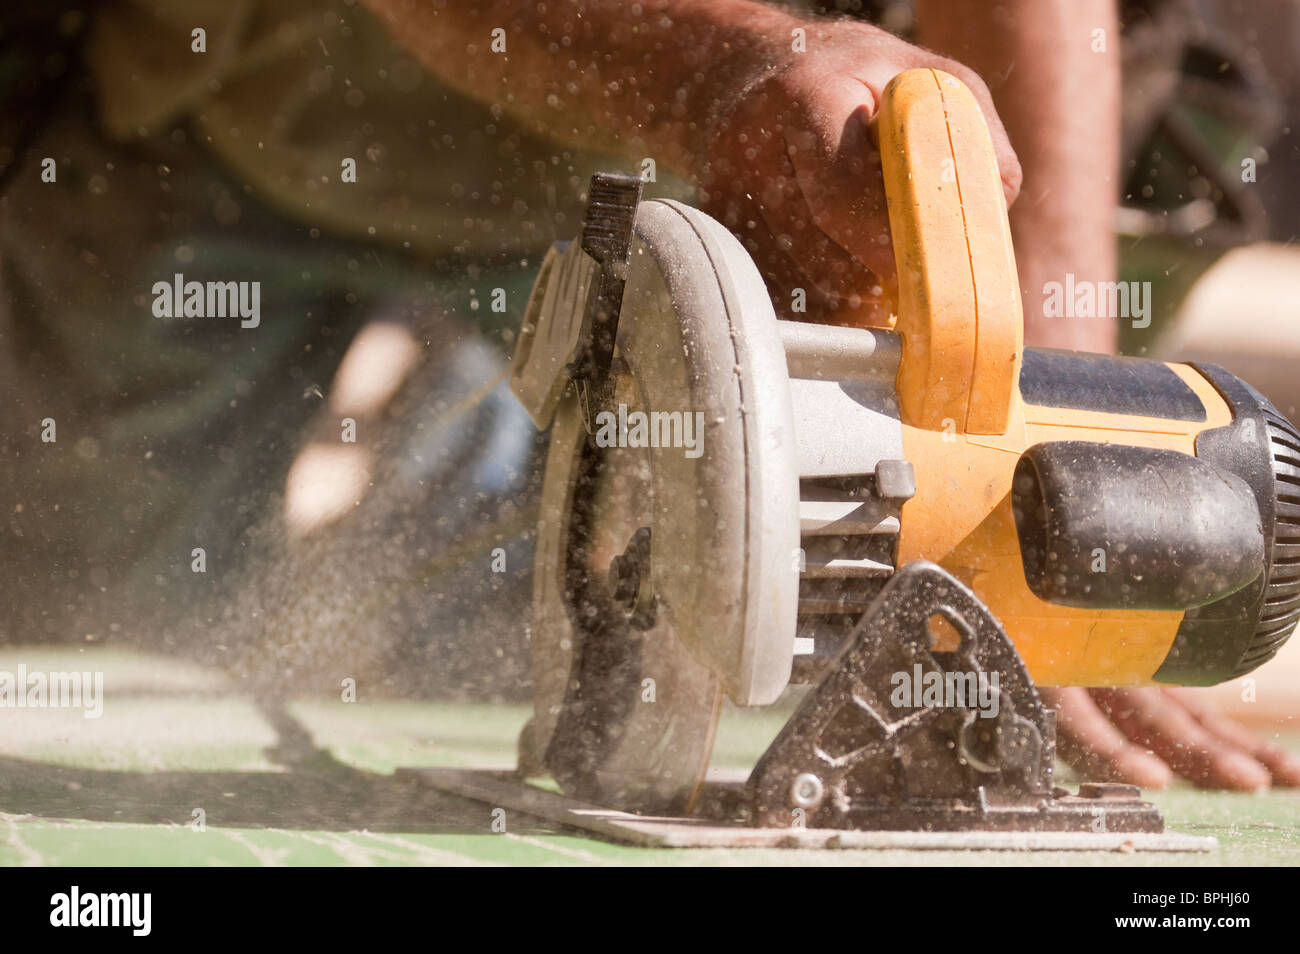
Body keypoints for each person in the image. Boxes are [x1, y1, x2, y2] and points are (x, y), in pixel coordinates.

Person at [3, 0, 1295, 788]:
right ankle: (497, 436)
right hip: (240, 104)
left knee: (540, 629)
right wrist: (702, 73)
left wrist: (1045, 413)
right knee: (86, 582)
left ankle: (495, 461)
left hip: (713, 169)